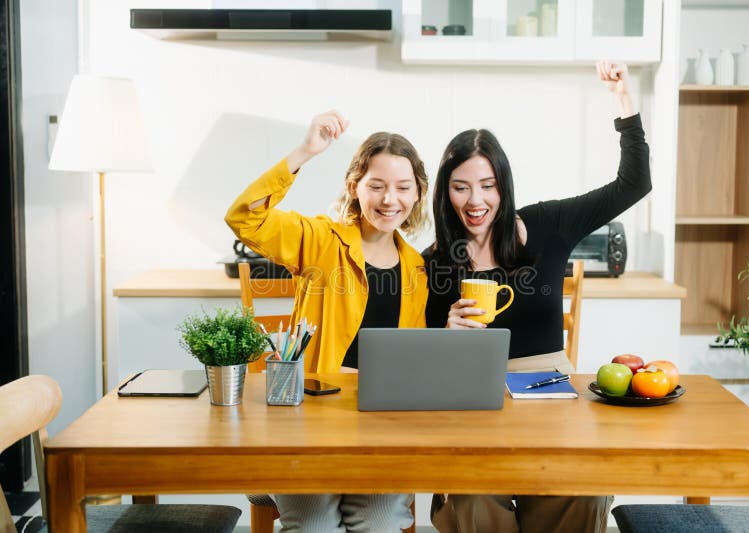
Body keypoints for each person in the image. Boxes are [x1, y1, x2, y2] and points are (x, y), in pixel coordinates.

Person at [424, 62, 652, 533]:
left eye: (487, 186)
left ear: (504, 186)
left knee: (582, 493)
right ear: (445, 192)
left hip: (550, 395)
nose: (475, 201)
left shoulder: (548, 225)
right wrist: (445, 334)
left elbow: (634, 185)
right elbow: (419, 361)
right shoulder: (431, 262)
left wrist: (623, 100)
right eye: (461, 187)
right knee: (469, 497)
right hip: (473, 402)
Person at [225, 110, 428, 532]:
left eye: (402, 187)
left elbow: (416, 359)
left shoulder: (418, 270)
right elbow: (245, 218)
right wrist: (304, 152)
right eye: (376, 186)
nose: (389, 199)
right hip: (309, 421)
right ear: (355, 188)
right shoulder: (320, 240)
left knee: (380, 521)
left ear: (416, 194)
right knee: (315, 524)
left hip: (379, 425)